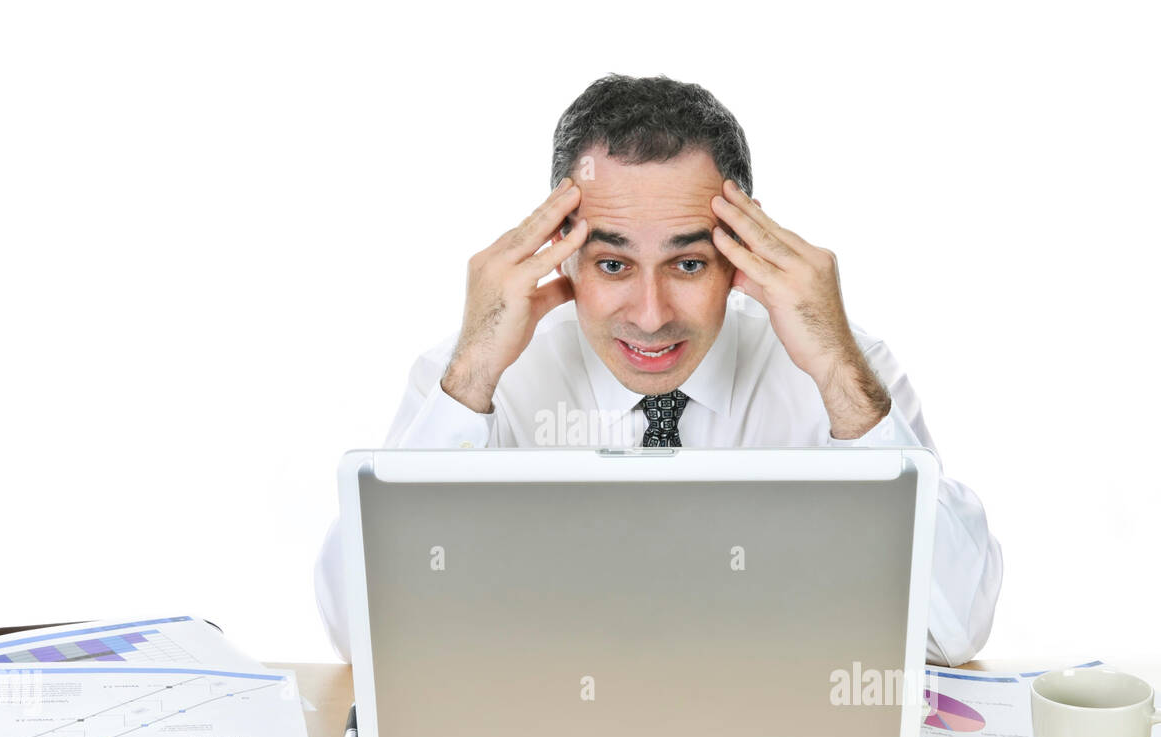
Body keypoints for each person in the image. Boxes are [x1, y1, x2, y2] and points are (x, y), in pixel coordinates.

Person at [315, 73, 1003, 668]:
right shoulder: (471, 377)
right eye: (614, 264)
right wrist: (469, 380)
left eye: (689, 263)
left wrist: (839, 376)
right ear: (562, 252)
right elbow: (359, 634)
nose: (650, 315)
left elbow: (954, 630)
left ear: (743, 249)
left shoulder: (847, 373)